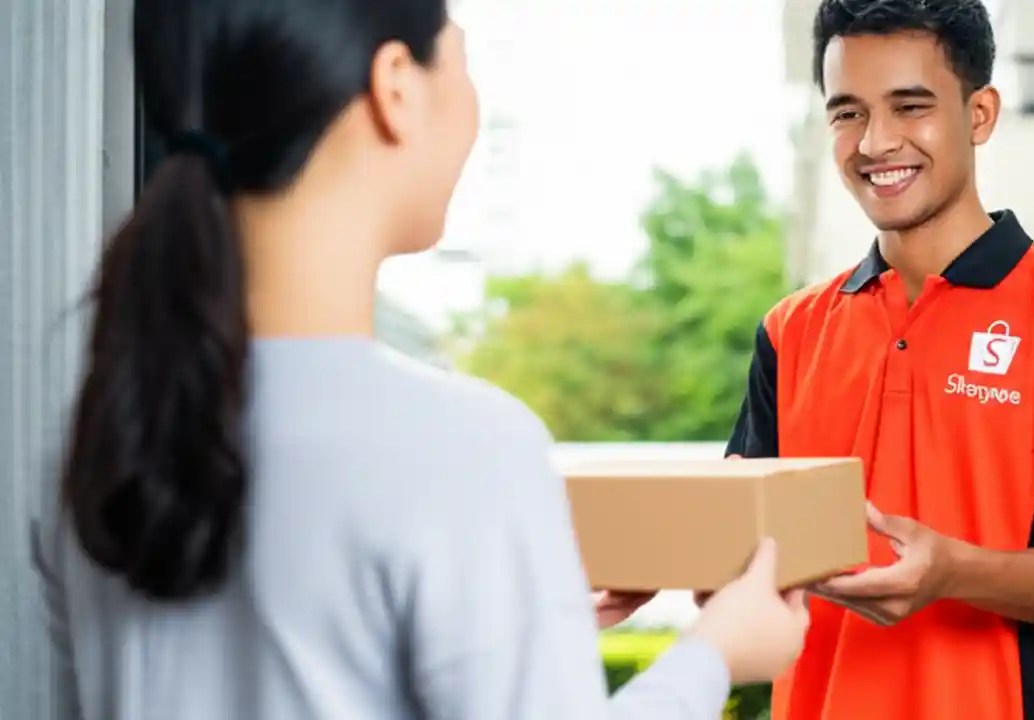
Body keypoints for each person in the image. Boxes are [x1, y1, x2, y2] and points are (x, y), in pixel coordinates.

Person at [30, 1, 810, 718]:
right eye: (460, 59)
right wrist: (715, 655)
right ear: (396, 87)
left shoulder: (103, 437)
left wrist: (514, 606)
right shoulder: (463, 447)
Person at [725, 1, 1034, 719]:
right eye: (847, 113)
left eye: (910, 106)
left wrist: (955, 573)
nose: (876, 142)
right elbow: (743, 543)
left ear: (981, 113)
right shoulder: (789, 331)